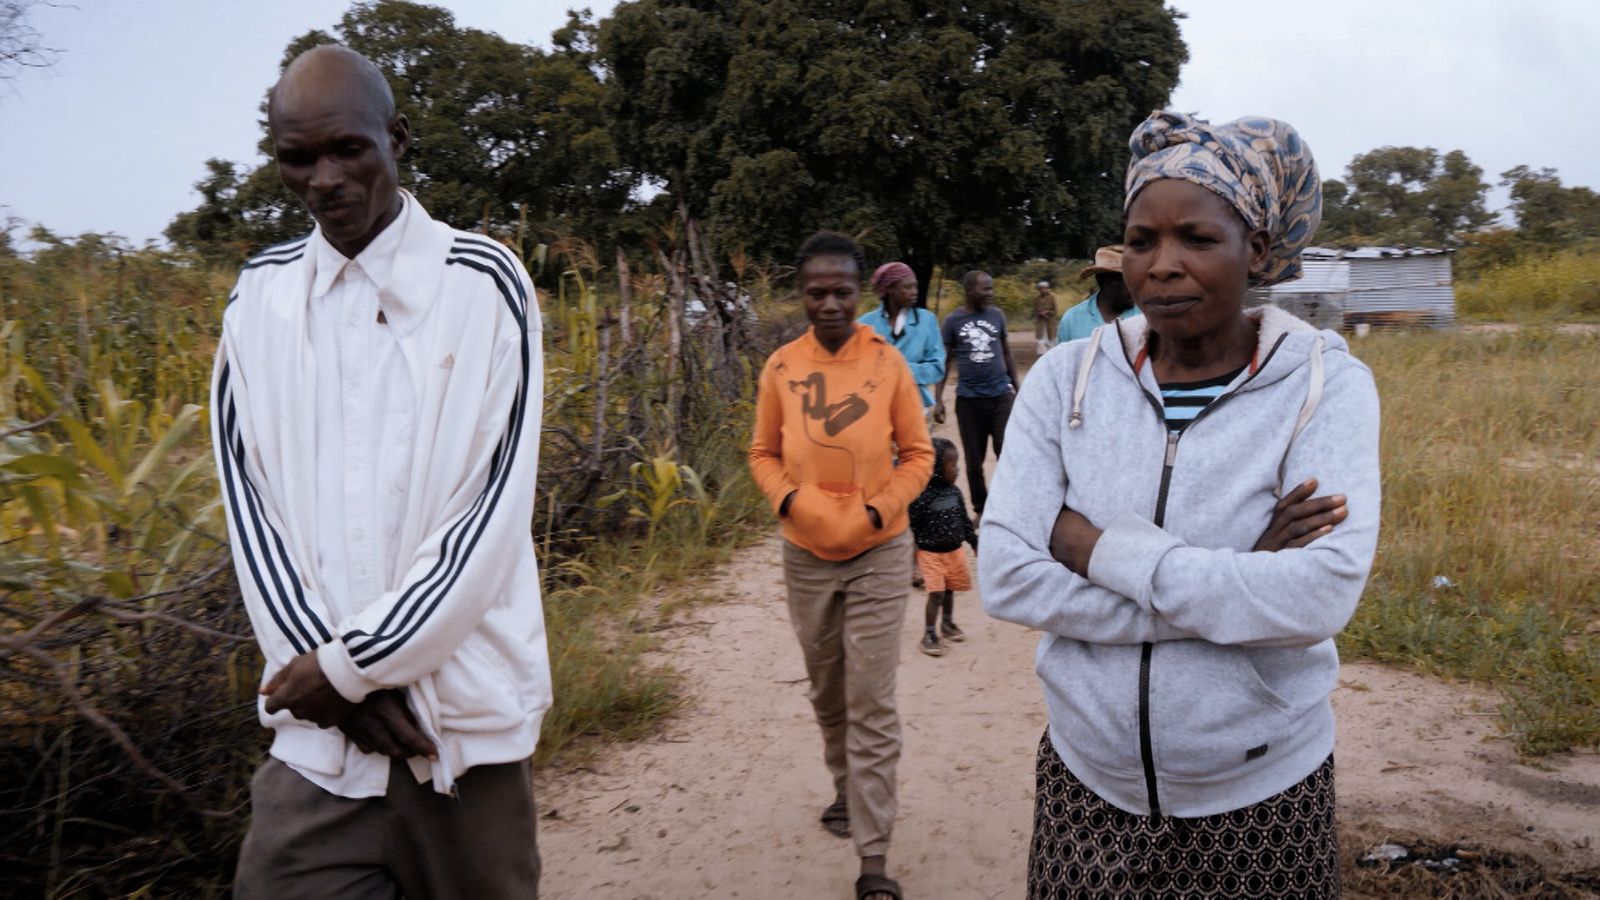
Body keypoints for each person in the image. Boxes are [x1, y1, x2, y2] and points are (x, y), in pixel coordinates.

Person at [979, 110, 1379, 899]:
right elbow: (1005, 575)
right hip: (1087, 785)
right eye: (1141, 241)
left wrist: (1097, 551)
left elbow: (1320, 593)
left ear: (1256, 251)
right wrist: (1238, 579)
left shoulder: (1324, 388)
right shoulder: (1065, 380)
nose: (1162, 265)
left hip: (1264, 796)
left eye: (1197, 238)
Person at [215, 46, 548, 897]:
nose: (324, 179)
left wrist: (352, 667)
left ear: (398, 139)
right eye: (298, 159)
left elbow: (486, 517)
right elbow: (252, 514)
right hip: (320, 745)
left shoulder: (482, 284)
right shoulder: (258, 300)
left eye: (348, 149)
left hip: (460, 735)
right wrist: (333, 682)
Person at [750, 231, 933, 900]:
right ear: (800, 295)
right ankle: (843, 788)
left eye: (842, 292)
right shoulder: (780, 367)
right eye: (816, 292)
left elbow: (917, 454)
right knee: (829, 694)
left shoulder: (886, 365)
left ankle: (874, 857)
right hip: (806, 556)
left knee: (871, 699)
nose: (829, 304)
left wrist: (883, 512)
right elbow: (762, 454)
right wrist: (790, 500)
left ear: (862, 295)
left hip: (879, 553)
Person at [933, 270, 1020, 517]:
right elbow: (945, 361)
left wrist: (1018, 388)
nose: (991, 294)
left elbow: (1006, 353)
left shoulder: (997, 316)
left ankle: (1009, 507)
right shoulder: (952, 321)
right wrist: (938, 400)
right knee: (974, 460)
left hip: (1001, 395)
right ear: (969, 290)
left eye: (991, 288)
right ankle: (981, 510)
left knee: (1007, 451)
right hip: (969, 400)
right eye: (986, 289)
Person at [907, 437, 978, 657]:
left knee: (949, 590)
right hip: (930, 554)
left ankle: (947, 624)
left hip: (954, 552)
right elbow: (912, 527)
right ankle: (929, 634)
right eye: (952, 465)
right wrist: (913, 558)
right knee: (936, 593)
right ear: (937, 468)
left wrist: (975, 542)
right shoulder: (921, 497)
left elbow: (964, 520)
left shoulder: (954, 492)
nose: (957, 470)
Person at [859, 261, 946, 417]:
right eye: (907, 287)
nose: (914, 292)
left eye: (915, 286)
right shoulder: (865, 324)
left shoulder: (927, 321)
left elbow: (937, 368)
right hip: (873, 407)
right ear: (890, 289)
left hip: (915, 406)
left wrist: (899, 369)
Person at [1056, 245, 1139, 344]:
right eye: (1131, 284)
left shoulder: (1147, 316)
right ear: (1109, 285)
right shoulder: (1072, 320)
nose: (1138, 291)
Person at [1032, 280, 1057, 353]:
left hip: (1050, 322)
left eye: (1044, 288)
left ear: (1047, 289)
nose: (1043, 290)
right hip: (1041, 323)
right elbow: (1035, 311)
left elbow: (1055, 311)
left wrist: (1048, 312)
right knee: (1041, 341)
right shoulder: (1036, 299)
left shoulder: (1052, 298)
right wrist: (1040, 314)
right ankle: (1042, 355)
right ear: (1039, 289)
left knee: (1051, 340)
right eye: (1041, 288)